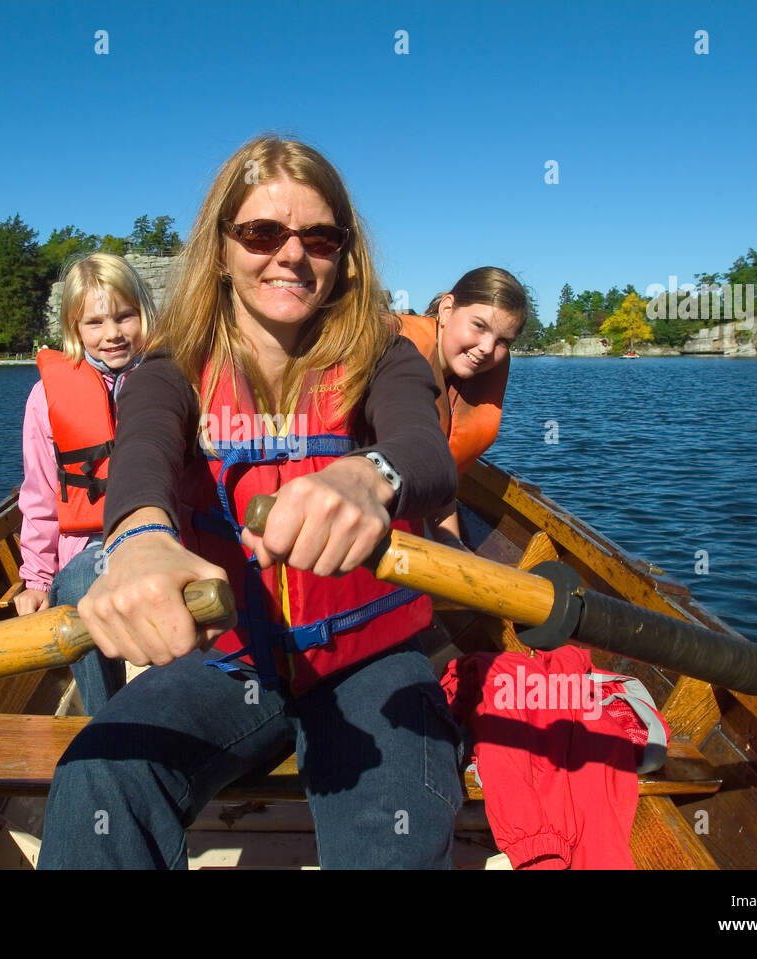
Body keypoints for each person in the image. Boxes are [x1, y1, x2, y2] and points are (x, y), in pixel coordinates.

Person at [37, 136, 463, 870]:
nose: (291, 255)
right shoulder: (170, 368)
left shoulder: (386, 354)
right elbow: (140, 454)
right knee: (97, 773)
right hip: (229, 662)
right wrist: (138, 538)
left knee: (396, 836)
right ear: (224, 247)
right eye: (263, 232)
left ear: (344, 252)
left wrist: (369, 476)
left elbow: (426, 455)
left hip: (368, 665)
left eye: (319, 236)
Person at [14, 252, 155, 715]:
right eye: (93, 322)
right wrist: (35, 579)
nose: (112, 333)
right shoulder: (44, 400)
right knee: (74, 588)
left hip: (164, 532)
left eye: (124, 316)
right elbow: (38, 497)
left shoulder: (171, 378)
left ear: (144, 314)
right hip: (89, 547)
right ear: (74, 330)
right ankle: (105, 717)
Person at [396, 267, 528, 544]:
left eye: (503, 341)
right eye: (479, 326)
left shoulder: (460, 379)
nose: (487, 348)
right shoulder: (393, 352)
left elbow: (438, 479)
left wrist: (453, 546)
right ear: (446, 309)